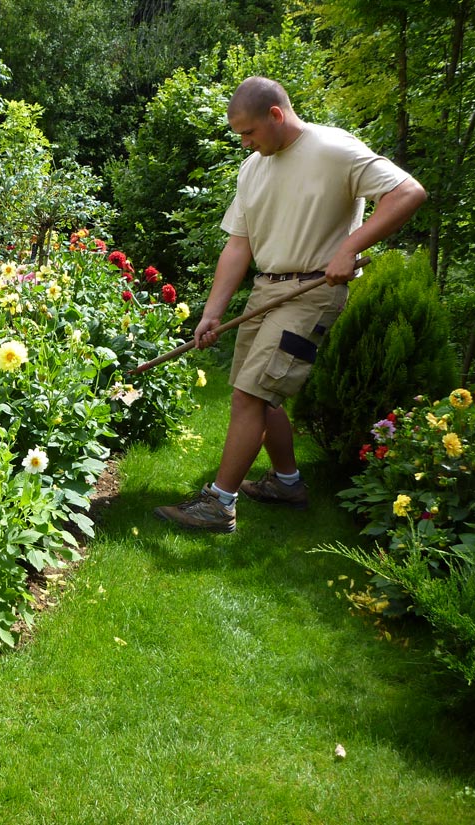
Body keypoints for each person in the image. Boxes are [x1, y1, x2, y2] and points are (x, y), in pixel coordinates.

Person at [154, 76, 426, 533]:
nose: (244, 142)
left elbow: (408, 192)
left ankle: (219, 505)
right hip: (266, 291)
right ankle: (287, 483)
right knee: (257, 392)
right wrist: (212, 312)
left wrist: (348, 248)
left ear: (276, 115)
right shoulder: (252, 169)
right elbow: (238, 246)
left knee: (249, 394)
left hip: (312, 291)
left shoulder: (333, 149)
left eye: (248, 132)